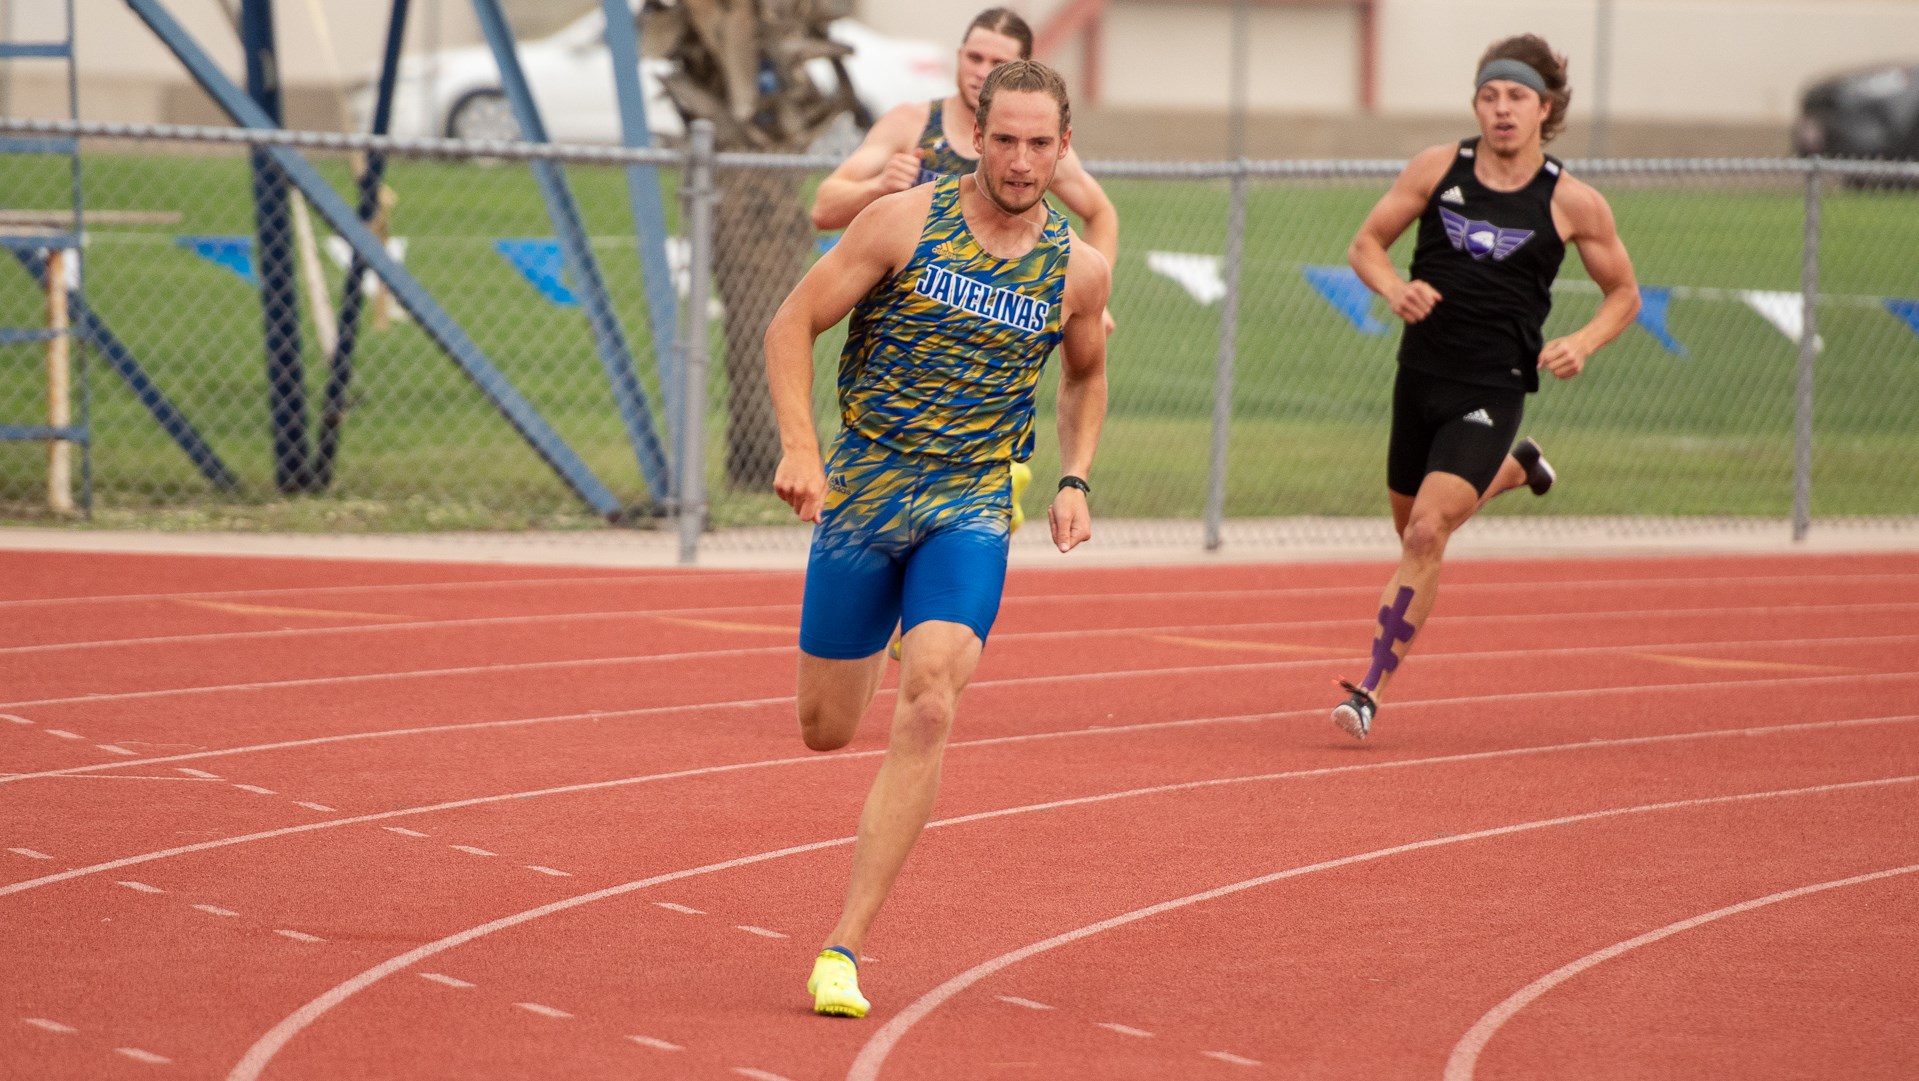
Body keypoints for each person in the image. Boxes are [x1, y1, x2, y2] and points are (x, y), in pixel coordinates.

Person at [766, 59, 1111, 1018]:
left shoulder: (1076, 269)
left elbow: (1085, 376)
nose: (1019, 158)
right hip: (867, 492)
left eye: (1040, 142)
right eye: (1003, 138)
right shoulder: (904, 221)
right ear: (979, 133)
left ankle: (844, 945)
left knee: (929, 704)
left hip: (970, 503)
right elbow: (793, 321)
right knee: (825, 729)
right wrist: (802, 447)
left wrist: (1075, 475)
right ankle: (882, 628)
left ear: (1062, 148)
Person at [1332, 33, 1640, 740]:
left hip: (1493, 385)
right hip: (1419, 377)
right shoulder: (1437, 169)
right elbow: (1364, 245)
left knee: (1425, 531)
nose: (1501, 109)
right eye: (1488, 95)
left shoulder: (1571, 202)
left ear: (1545, 109)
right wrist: (1393, 288)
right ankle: (1516, 467)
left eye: (1516, 98)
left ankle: (1369, 688)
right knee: (1411, 526)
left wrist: (1582, 341)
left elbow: (1623, 293)